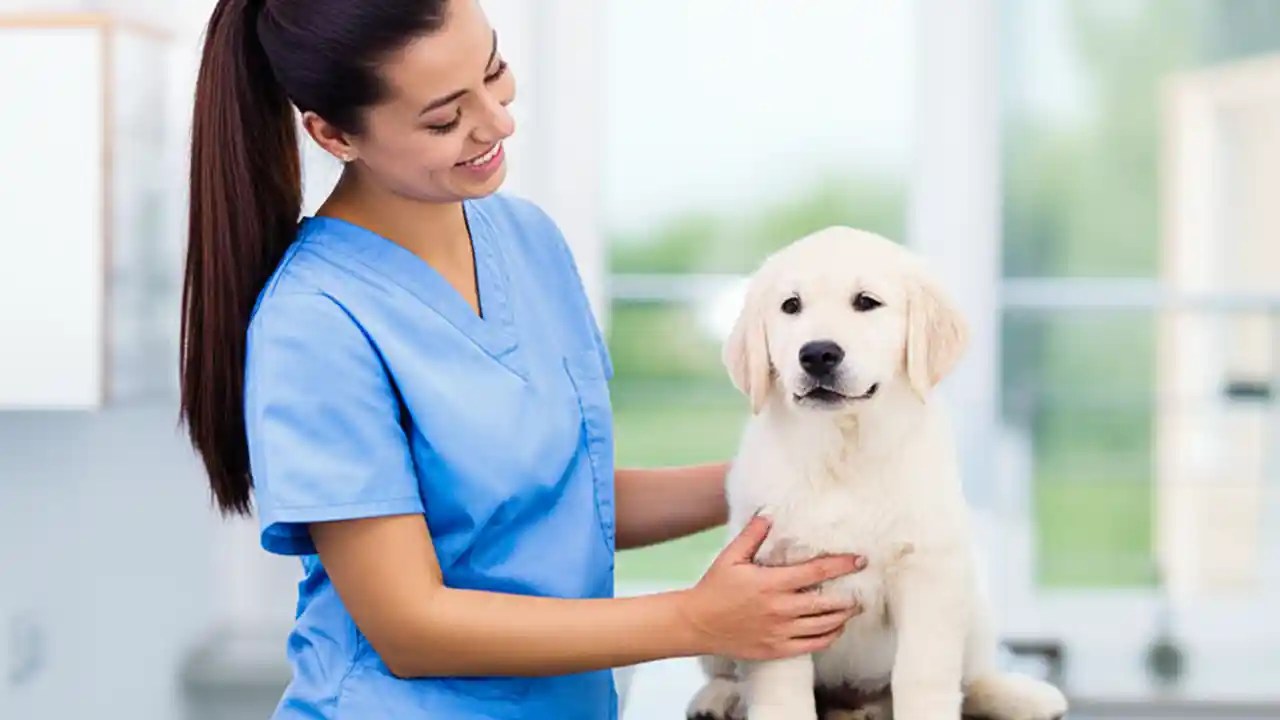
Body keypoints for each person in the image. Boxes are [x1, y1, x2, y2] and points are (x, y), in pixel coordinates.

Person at [179, 0, 865, 718]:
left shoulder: (526, 239)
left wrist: (788, 476)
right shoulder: (317, 320)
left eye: (494, 69)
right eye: (446, 118)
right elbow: (409, 626)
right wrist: (696, 619)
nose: (499, 121)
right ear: (334, 133)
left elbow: (564, 503)